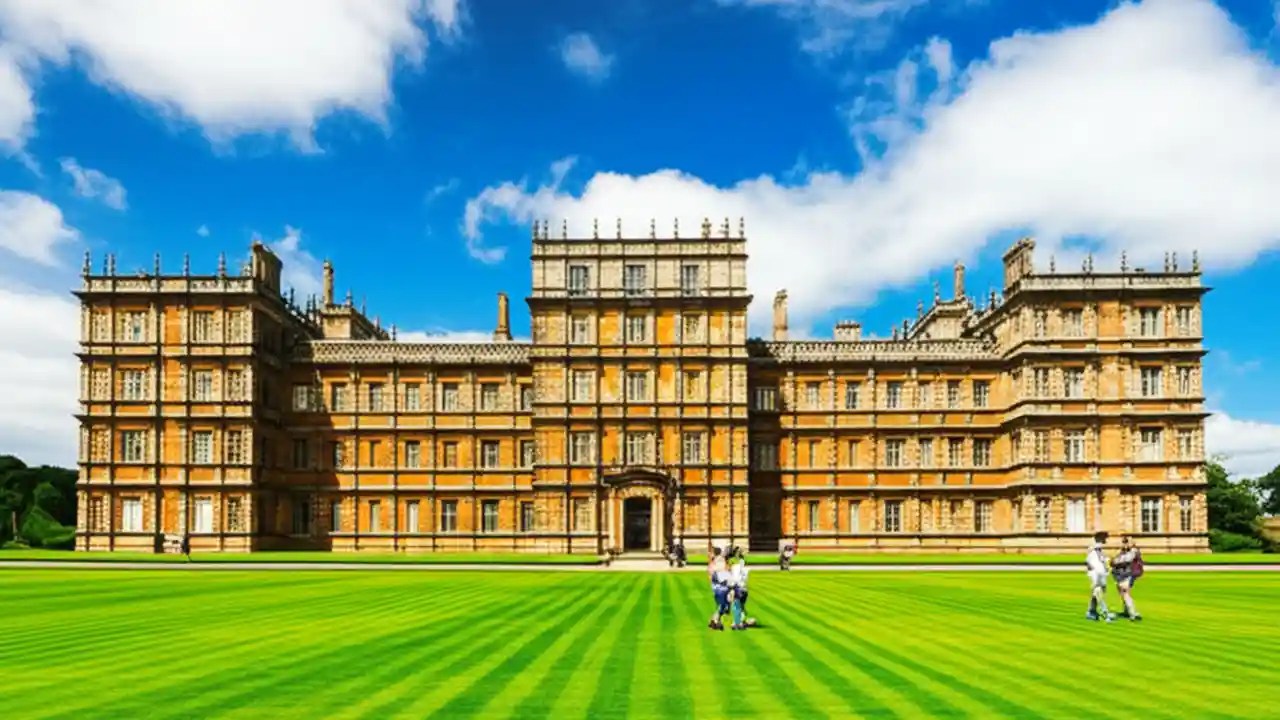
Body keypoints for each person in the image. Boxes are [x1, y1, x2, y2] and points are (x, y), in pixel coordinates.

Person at [1111, 535, 1144, 621]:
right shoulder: (1122, 552)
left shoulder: (1133, 551)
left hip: (1126, 575)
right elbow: (1112, 561)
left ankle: (1133, 613)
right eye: (1123, 541)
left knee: (1125, 593)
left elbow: (1125, 560)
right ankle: (1127, 612)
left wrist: (1115, 560)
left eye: (1126, 541)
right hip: (1119, 575)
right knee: (1122, 594)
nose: (1124, 544)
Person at [1085, 531, 1114, 623]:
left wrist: (1106, 565)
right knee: (1098, 593)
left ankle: (1091, 612)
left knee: (1096, 594)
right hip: (1096, 574)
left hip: (1101, 573)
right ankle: (1105, 613)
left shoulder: (1099, 549)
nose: (1106, 540)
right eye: (1105, 538)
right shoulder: (1094, 548)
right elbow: (1089, 562)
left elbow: (1102, 559)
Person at [728, 547, 753, 630]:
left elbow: (734, 579)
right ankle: (741, 621)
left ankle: (737, 623)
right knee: (741, 607)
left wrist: (731, 587)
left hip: (738, 588)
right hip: (744, 589)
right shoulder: (745, 569)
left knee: (736, 606)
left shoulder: (735, 568)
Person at [707, 547, 731, 630]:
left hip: (719, 587)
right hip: (721, 587)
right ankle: (715, 621)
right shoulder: (718, 561)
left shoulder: (717, 561)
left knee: (722, 605)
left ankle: (715, 621)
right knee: (723, 606)